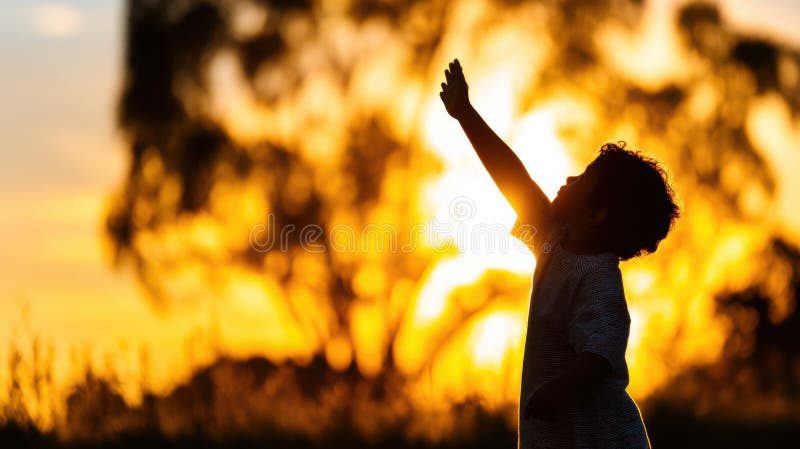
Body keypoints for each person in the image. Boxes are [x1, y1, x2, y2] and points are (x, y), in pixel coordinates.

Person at [439, 59, 679, 449]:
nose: (568, 178)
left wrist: (556, 390)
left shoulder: (599, 279)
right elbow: (514, 178)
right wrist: (465, 114)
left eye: (582, 177)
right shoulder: (551, 240)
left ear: (596, 213)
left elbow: (601, 357)